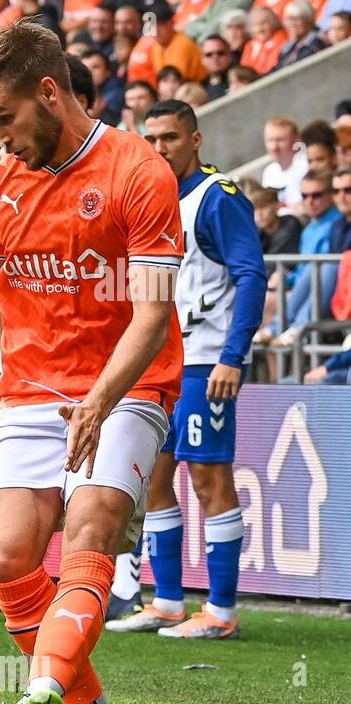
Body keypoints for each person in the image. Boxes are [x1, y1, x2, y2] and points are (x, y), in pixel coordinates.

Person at [0, 21, 185, 704]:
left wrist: (100, 399)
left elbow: (151, 314)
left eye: (5, 119)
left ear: (50, 92)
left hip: (129, 385)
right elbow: (11, 289)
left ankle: (40, 692)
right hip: (29, 392)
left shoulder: (138, 173)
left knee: (90, 528)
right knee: (10, 557)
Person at [106, 102, 267, 639]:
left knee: (209, 477)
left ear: (195, 140)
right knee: (153, 478)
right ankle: (168, 601)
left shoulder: (217, 198)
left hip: (205, 362)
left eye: (171, 137)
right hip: (159, 363)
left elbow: (250, 275)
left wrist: (232, 356)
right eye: (151, 138)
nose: (160, 148)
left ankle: (220, 613)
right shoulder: (149, 201)